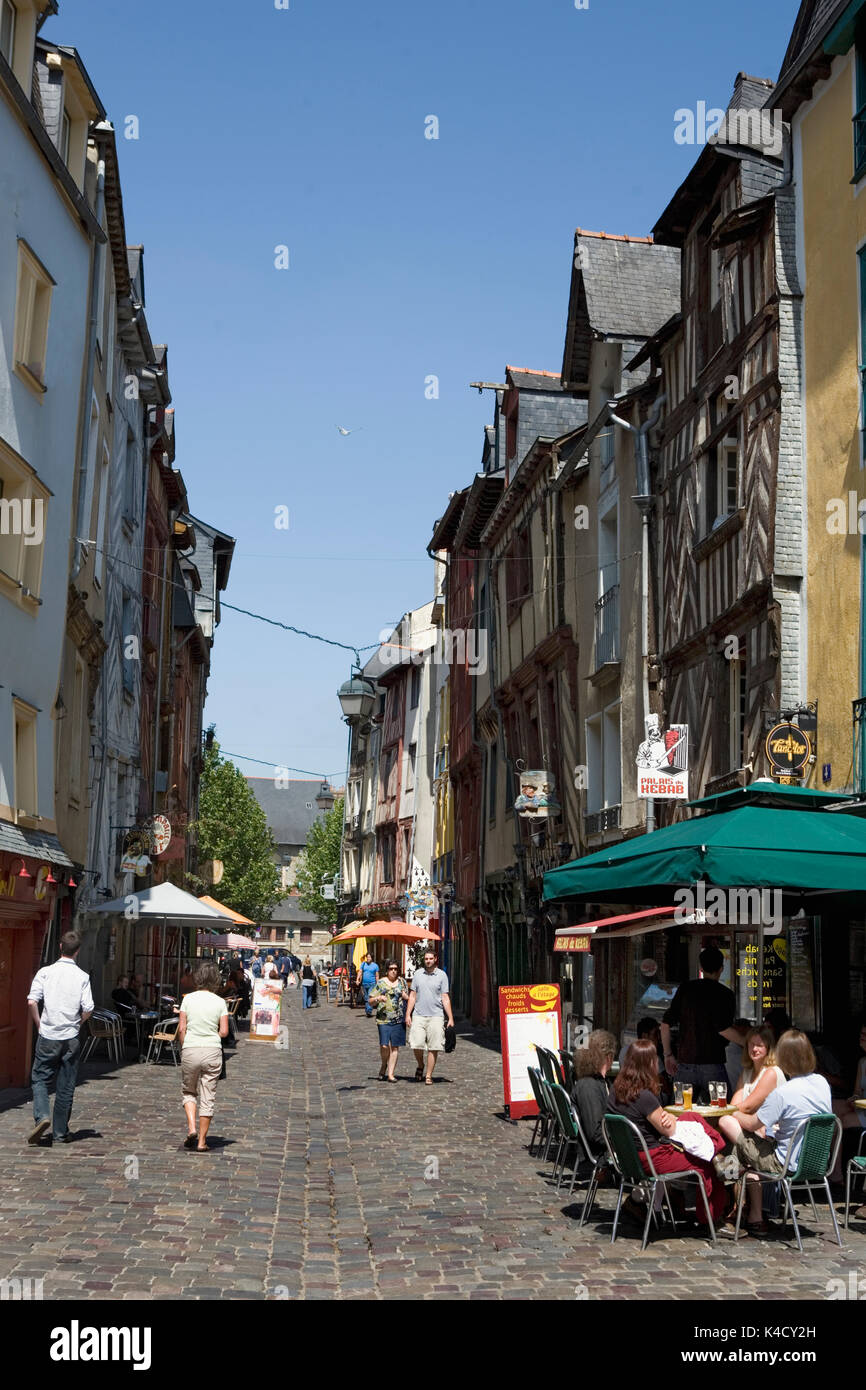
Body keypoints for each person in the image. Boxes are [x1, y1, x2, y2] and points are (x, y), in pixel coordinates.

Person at [607, 1038, 727, 1228]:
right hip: (653, 1158)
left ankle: (716, 1152)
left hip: (629, 1157)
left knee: (690, 1117)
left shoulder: (615, 1091)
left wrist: (668, 1118)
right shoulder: (644, 1096)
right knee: (705, 1163)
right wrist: (668, 1118)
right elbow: (669, 1130)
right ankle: (712, 1220)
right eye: (654, 1059)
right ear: (649, 1064)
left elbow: (663, 1122)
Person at [723, 1029, 833, 1234]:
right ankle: (751, 1212)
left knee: (727, 1125)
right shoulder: (822, 1083)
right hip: (815, 1161)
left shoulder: (783, 1092)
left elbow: (752, 1123)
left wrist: (729, 1112)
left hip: (782, 1163)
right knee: (741, 1149)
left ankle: (736, 1204)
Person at [26, 932, 94, 1146]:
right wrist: (78, 1023)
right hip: (71, 1037)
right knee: (66, 1085)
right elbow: (89, 1008)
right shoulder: (82, 976)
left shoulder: (45, 972)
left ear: (60, 946)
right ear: (78, 951)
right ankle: (60, 1132)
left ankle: (42, 1115)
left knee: (39, 1079)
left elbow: (31, 1002)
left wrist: (39, 1024)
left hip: (48, 1035)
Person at [661, 946, 745, 1103]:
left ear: (701, 967)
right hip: (713, 1064)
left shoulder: (686, 989)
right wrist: (747, 1042)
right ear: (721, 968)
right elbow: (724, 1029)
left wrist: (668, 1055)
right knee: (722, 1111)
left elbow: (665, 1025)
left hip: (685, 1064)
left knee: (679, 1110)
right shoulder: (725, 995)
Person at [177, 960, 229, 1153]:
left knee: (189, 1092)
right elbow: (224, 1032)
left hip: (191, 1048)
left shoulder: (188, 999)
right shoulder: (220, 1002)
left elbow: (182, 1028)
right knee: (208, 1096)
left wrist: (185, 1046)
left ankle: (191, 1129)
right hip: (212, 1050)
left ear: (197, 977)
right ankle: (202, 1142)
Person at [717, 1025, 786, 1157]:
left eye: (759, 1045)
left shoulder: (772, 1072)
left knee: (725, 1122)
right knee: (724, 1123)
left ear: (768, 1047)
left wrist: (721, 1111)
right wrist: (728, 1111)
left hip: (771, 1137)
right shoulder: (747, 1072)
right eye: (751, 1044)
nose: (754, 1049)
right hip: (752, 1129)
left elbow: (747, 1107)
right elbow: (735, 1104)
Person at [405, 949, 454, 1086]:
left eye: (430, 958)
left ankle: (428, 1075)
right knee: (416, 1044)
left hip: (436, 1016)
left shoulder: (442, 975)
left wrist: (450, 1017)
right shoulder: (417, 974)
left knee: (434, 1047)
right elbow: (413, 995)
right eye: (426, 959)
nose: (428, 961)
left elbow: (445, 997)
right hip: (419, 1015)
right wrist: (408, 1013)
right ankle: (421, 1064)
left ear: (435, 959)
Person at [572, 1029, 616, 1153]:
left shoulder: (600, 1082)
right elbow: (595, 1133)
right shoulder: (589, 1086)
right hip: (601, 1152)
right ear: (608, 1057)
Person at [369, 960, 409, 1082]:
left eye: (396, 969)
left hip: (398, 1019)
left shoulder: (402, 982)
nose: (393, 971)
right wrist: (378, 998)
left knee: (395, 1047)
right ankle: (383, 1064)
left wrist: (405, 996)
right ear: (387, 970)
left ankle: (391, 1074)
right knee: (384, 1045)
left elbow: (408, 997)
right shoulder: (381, 983)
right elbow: (370, 1000)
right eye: (391, 968)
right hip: (383, 1019)